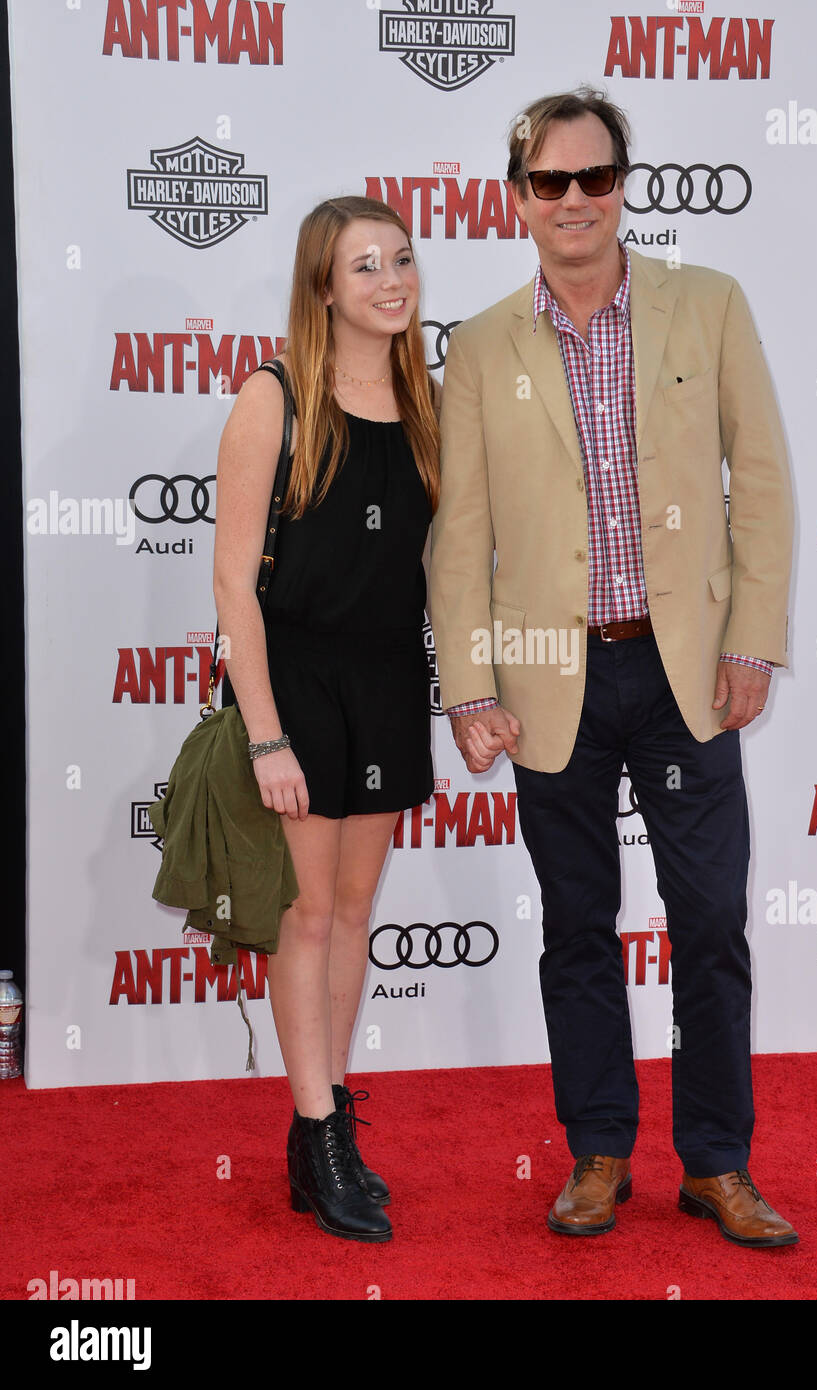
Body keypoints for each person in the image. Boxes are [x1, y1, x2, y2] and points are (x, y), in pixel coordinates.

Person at [429, 89, 797, 1245]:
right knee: (576, 925)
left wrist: (751, 639)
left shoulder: (708, 305)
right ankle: (596, 1153)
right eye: (550, 183)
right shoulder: (482, 345)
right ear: (516, 201)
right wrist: (471, 687)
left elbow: (765, 482)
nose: (574, 200)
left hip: (685, 676)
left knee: (708, 922)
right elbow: (461, 532)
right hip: (550, 683)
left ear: (623, 185)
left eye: (593, 178)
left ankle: (716, 1163)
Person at [213, 195, 440, 1242]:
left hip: (388, 681)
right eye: (364, 266)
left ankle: (328, 1119)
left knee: (352, 914)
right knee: (303, 916)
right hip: (293, 685)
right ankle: (318, 1127)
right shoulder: (273, 396)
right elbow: (231, 587)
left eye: (400, 259)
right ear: (322, 287)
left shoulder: (421, 397)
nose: (392, 279)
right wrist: (264, 734)